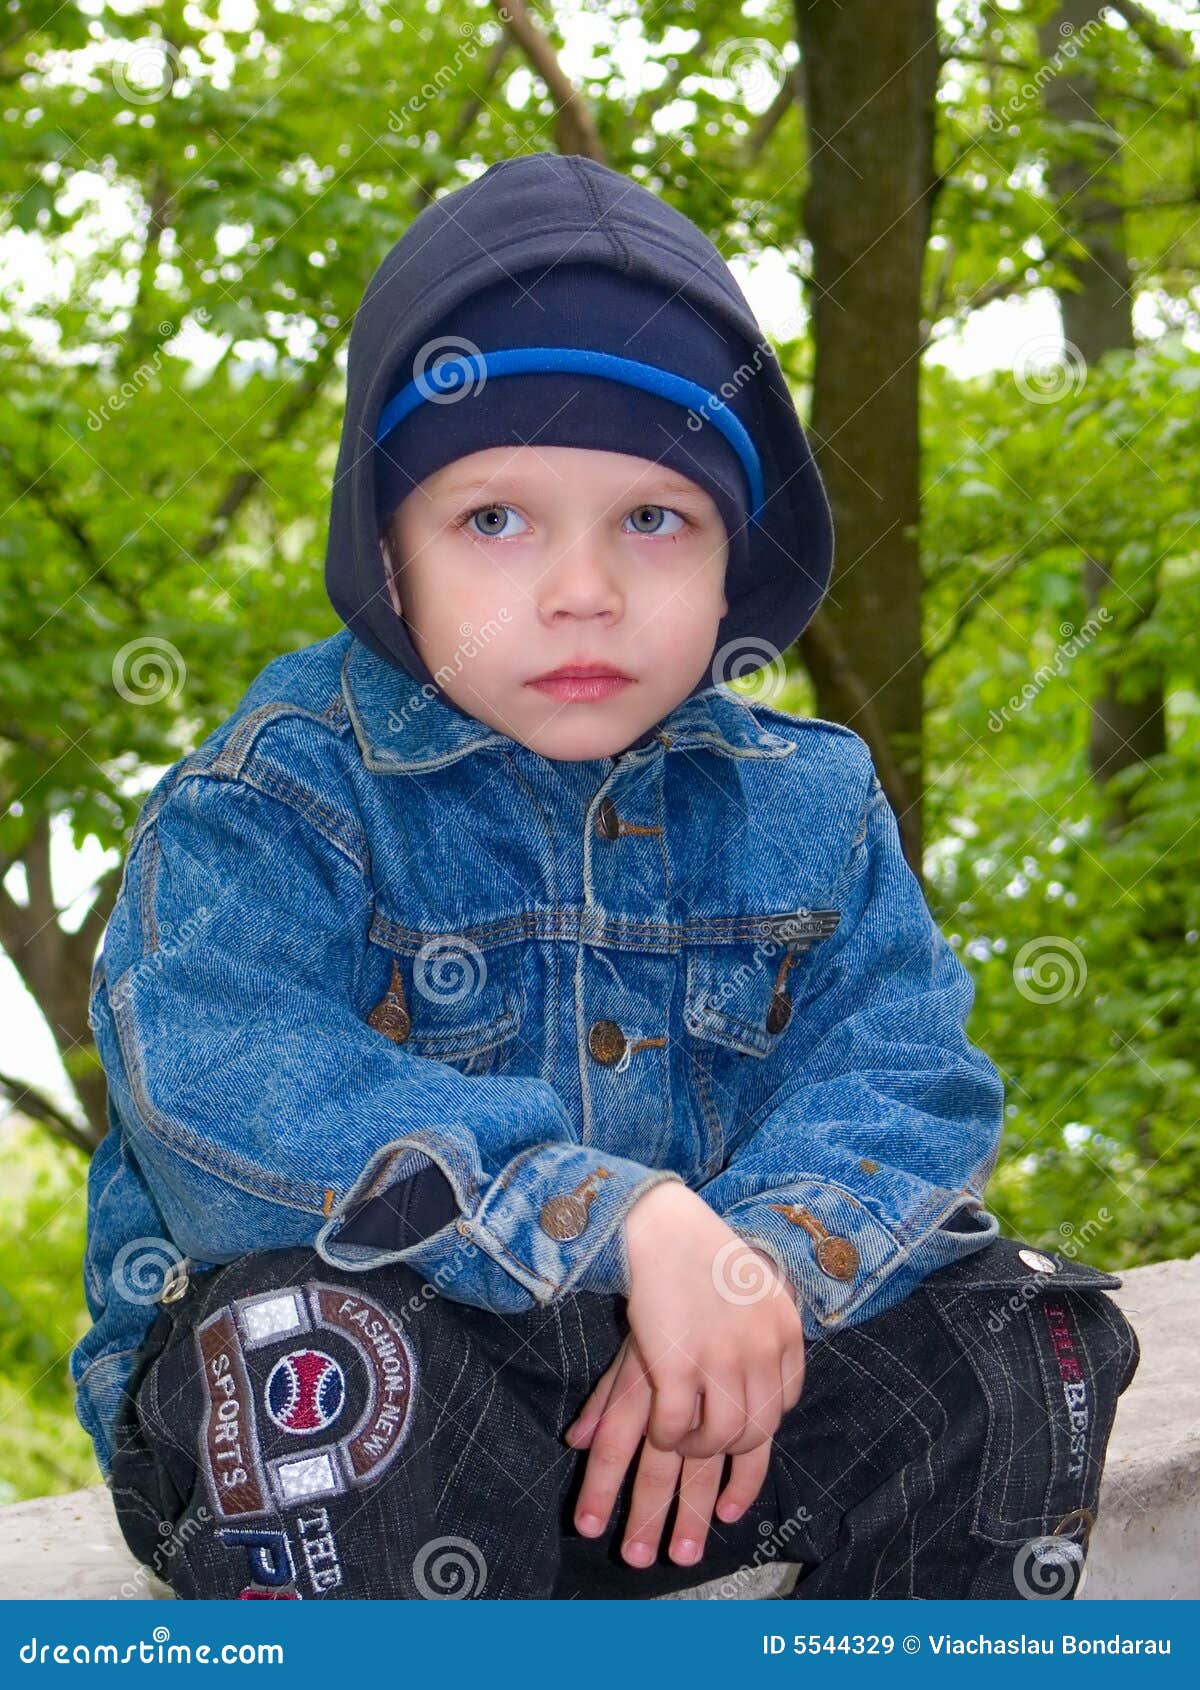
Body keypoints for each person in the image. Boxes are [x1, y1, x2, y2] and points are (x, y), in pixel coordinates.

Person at [72, 153, 1139, 1602]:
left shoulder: (810, 801)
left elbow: (910, 1080)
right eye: (495, 520)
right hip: (388, 1415)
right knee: (316, 1342)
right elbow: (220, 1090)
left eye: (653, 519)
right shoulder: (277, 795)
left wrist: (757, 1267)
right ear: (387, 552)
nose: (584, 590)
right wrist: (618, 1216)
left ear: (732, 561)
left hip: (706, 1416)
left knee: (1030, 1335)